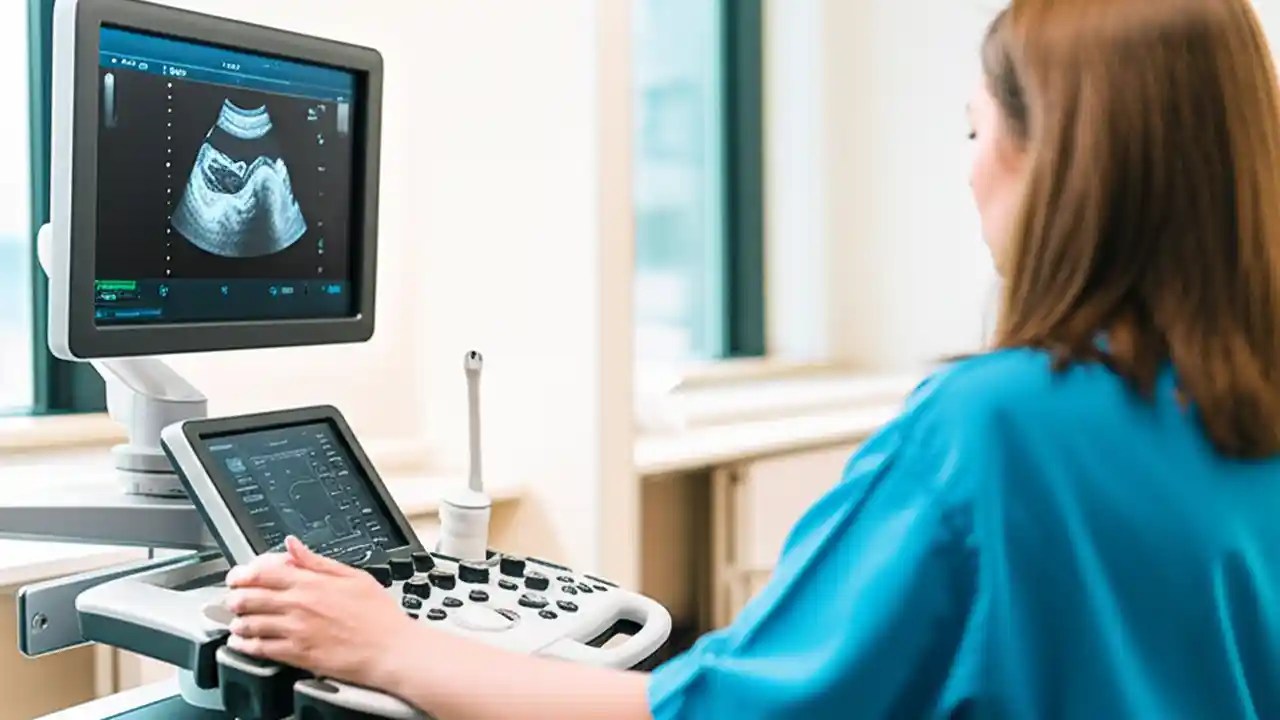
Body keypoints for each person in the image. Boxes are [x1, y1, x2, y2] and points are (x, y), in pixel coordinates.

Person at [221, 0, 1280, 716]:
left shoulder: (996, 429)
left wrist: (386, 644)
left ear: (1057, 162)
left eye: (970, 134)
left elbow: (710, 712)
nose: (966, 178)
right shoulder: (1247, 412)